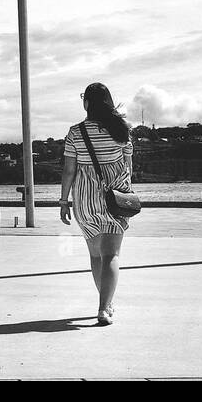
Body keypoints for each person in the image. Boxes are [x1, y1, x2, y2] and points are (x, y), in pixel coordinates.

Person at [60, 82, 133, 325]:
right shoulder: (122, 130)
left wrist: (63, 201)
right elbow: (128, 167)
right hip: (115, 198)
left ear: (87, 103)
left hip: (85, 199)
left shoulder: (75, 132)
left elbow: (69, 170)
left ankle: (106, 302)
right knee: (111, 254)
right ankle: (104, 307)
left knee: (95, 256)